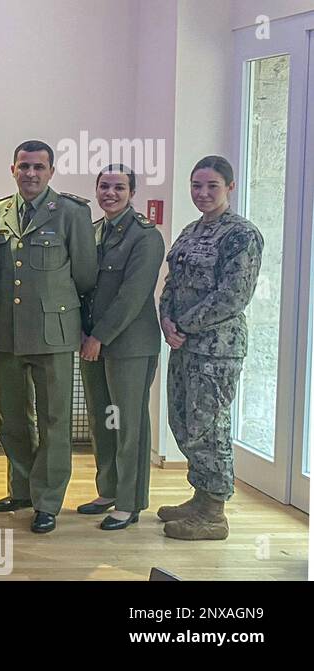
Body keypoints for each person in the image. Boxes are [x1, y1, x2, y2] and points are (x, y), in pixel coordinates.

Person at [0, 140, 98, 534]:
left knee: (54, 420)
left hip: (54, 334)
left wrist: (88, 329)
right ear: (12, 169)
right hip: (7, 332)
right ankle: (21, 490)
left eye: (38, 167)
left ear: (51, 171)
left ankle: (47, 501)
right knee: (12, 418)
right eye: (23, 166)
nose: (30, 173)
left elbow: (85, 276)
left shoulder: (72, 213)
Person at [157, 156, 263, 541]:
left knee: (209, 428)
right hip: (183, 346)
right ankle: (200, 496)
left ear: (230, 188)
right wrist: (166, 320)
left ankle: (214, 512)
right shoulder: (190, 231)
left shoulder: (241, 235)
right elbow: (170, 282)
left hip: (216, 351)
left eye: (212, 186)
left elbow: (233, 296)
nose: (202, 193)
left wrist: (183, 324)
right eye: (196, 186)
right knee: (183, 423)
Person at [77, 164, 163, 530]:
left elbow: (132, 295)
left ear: (132, 192)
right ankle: (108, 489)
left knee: (128, 423)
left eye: (119, 187)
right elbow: (82, 286)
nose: (110, 193)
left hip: (128, 345)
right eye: (104, 187)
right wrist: (83, 333)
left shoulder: (145, 236)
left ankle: (129, 501)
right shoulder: (94, 232)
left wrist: (99, 336)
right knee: (102, 419)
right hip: (93, 343)